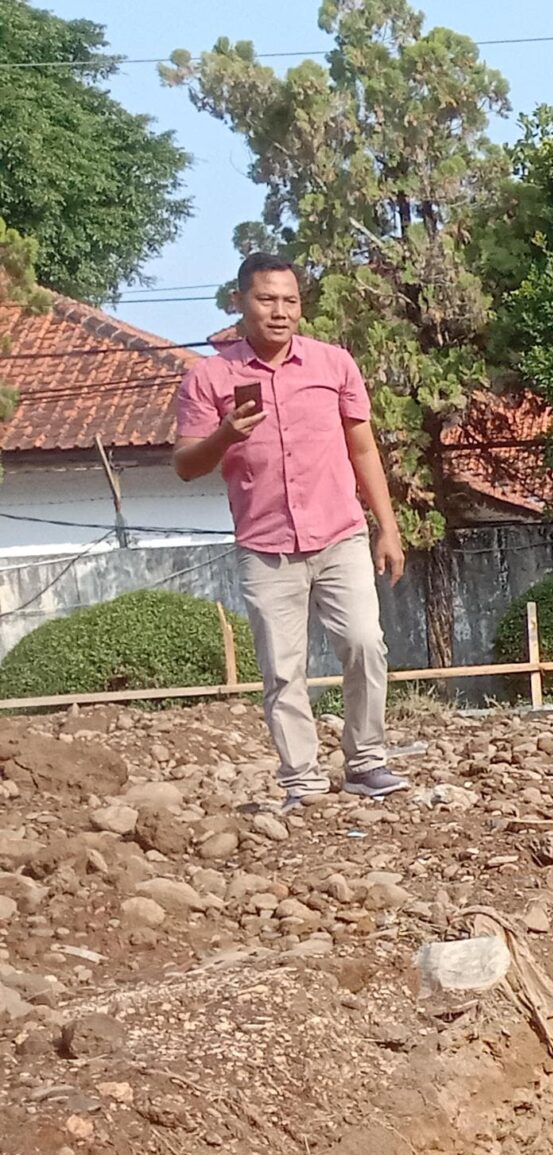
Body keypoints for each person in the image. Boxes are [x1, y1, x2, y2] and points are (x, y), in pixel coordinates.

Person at [172, 254, 408, 808]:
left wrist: (388, 527)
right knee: (282, 669)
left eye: (290, 300)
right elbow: (185, 464)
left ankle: (366, 761)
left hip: (339, 533)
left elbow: (363, 448)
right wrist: (225, 435)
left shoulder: (334, 365)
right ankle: (301, 778)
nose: (280, 312)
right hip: (265, 544)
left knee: (364, 645)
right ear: (240, 303)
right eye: (266, 299)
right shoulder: (210, 378)